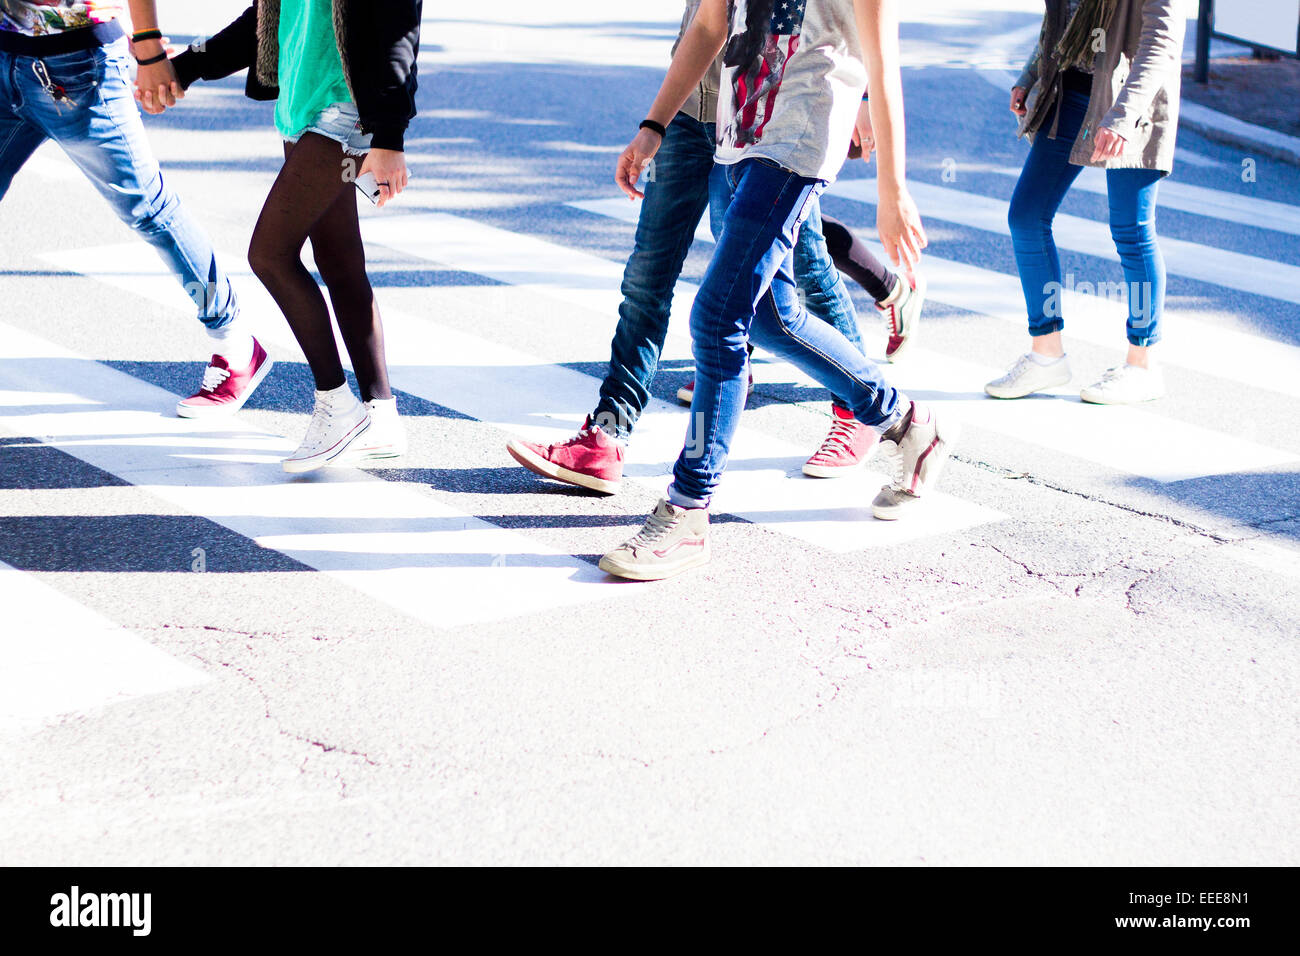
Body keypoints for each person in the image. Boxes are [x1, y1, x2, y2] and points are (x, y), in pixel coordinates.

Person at [598, 0, 955, 581]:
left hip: (799, 141)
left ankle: (687, 508)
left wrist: (893, 192)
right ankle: (906, 421)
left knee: (717, 316)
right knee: (771, 316)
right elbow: (711, 25)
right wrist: (654, 126)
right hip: (738, 136)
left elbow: (883, 70)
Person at [506, 0, 925, 495]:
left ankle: (850, 412)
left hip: (787, 133)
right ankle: (609, 434)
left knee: (774, 286)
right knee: (668, 282)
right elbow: (708, 24)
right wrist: (653, 125)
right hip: (707, 116)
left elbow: (874, 48)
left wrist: (886, 170)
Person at [160, 0, 421, 472]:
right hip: (304, 108)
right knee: (339, 260)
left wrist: (390, 139)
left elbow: (398, 24)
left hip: (347, 114)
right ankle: (381, 416)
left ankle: (335, 405)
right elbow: (265, 21)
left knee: (271, 255)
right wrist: (187, 65)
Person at [0, 0, 269, 418]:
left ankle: (234, 341)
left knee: (150, 211)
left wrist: (148, 47)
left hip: (77, 69)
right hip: (4, 56)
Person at [987, 0, 1185, 405]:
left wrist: (1123, 115)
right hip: (1070, 92)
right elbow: (1065, 20)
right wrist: (1029, 74)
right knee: (1026, 216)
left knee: (1131, 230)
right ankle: (1046, 355)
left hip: (1130, 99)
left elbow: (1161, 39)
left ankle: (1142, 365)